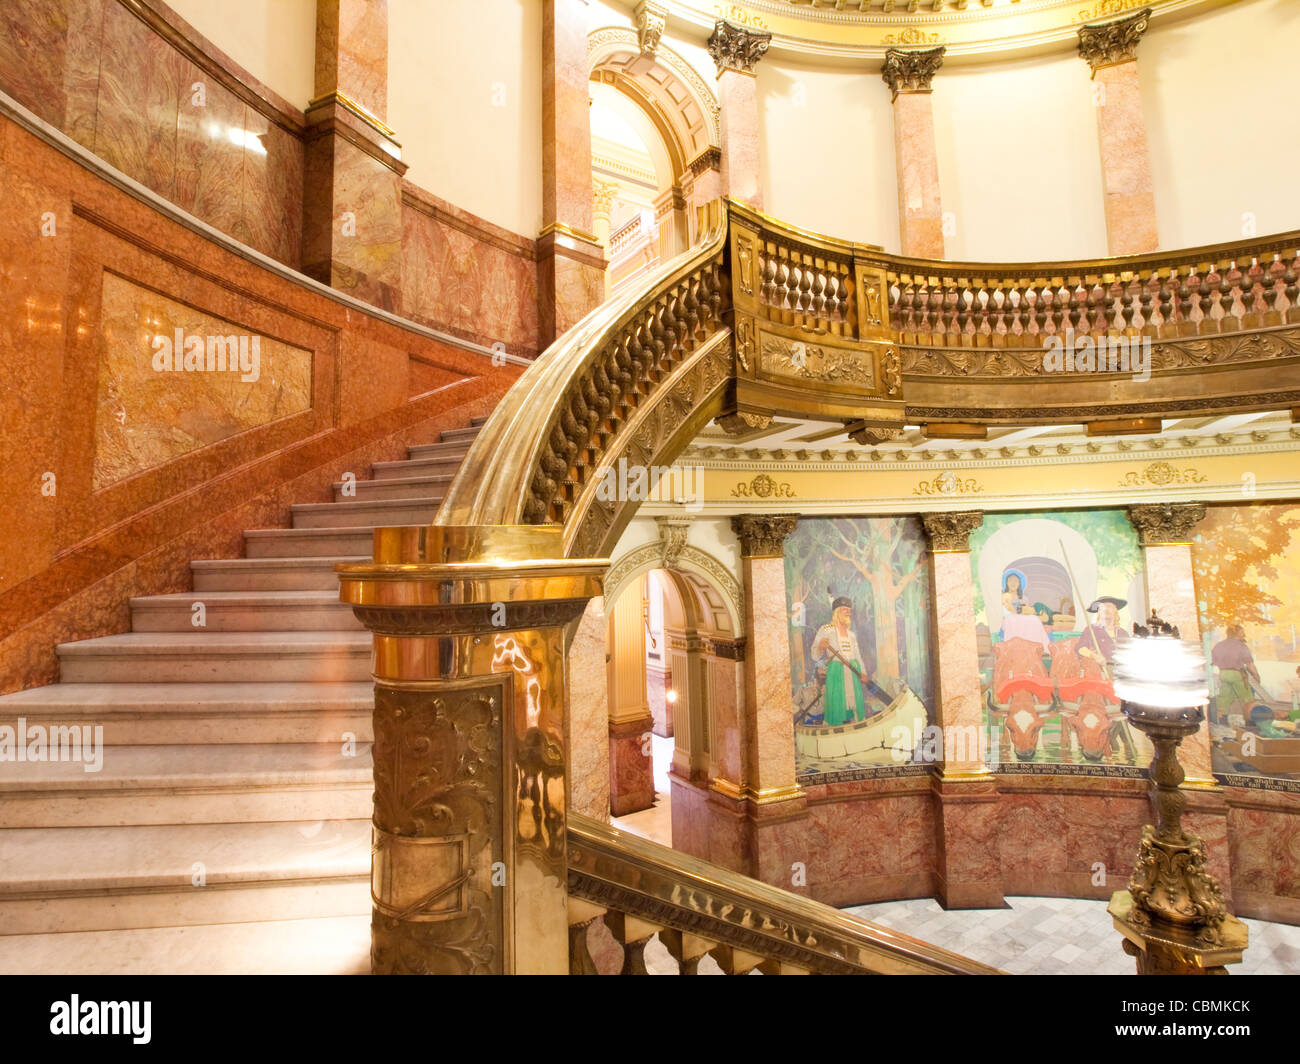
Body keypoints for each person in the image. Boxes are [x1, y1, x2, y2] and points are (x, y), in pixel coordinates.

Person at [810, 597, 869, 726]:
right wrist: (820, 646)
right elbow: (814, 654)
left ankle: (857, 726)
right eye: (845, 610)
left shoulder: (851, 634)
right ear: (837, 611)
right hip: (836, 672)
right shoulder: (826, 629)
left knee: (855, 705)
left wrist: (863, 672)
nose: (848, 612)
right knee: (836, 703)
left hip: (853, 671)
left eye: (849, 610)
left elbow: (858, 655)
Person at [1211, 625, 1260, 723]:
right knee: (1247, 698)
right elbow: (1249, 664)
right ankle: (1249, 722)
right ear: (1236, 633)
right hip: (1237, 674)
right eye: (1242, 632)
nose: (1244, 634)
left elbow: (1213, 662)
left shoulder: (1219, 645)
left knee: (1224, 698)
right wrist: (1256, 675)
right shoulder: (1241, 646)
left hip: (1223, 674)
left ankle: (1222, 721)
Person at [1079, 597, 1128, 666]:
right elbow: (1080, 648)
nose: (1106, 609)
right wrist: (1094, 656)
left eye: (1109, 607)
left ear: (1115, 610)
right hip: (1100, 670)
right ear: (1099, 612)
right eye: (1102, 607)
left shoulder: (1123, 633)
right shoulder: (1092, 629)